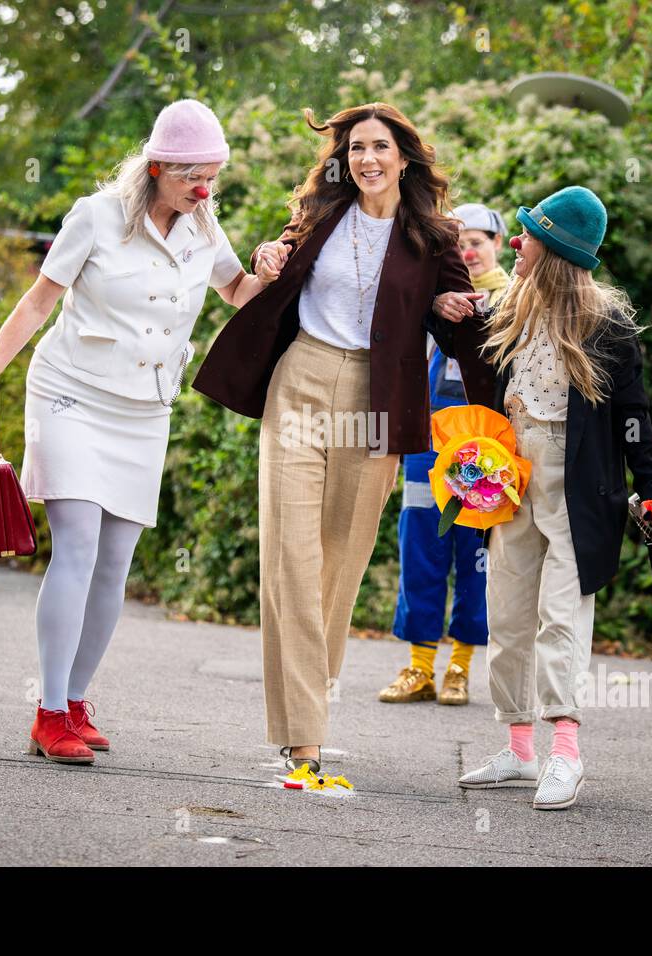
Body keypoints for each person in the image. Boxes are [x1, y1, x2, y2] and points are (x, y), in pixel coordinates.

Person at [0, 100, 274, 766]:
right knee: (76, 546)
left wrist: (270, 268)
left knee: (114, 565)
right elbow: (40, 301)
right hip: (71, 392)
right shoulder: (97, 215)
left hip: (144, 409)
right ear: (158, 167)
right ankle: (48, 713)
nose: (205, 189)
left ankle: (76, 700)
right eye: (194, 175)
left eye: (213, 176)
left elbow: (238, 293)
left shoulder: (204, 227)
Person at [191, 102, 490, 782]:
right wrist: (269, 257)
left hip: (378, 401)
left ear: (404, 158)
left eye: (380, 146)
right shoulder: (321, 214)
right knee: (291, 556)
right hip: (300, 381)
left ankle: (308, 703)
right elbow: (279, 264)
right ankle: (306, 738)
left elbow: (457, 312)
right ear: (343, 157)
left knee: (341, 562)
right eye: (356, 147)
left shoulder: (435, 237)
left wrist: (448, 309)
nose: (367, 159)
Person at [431, 186, 652, 809]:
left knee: (562, 617)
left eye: (528, 235)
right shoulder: (506, 309)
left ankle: (565, 752)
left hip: (579, 484)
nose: (516, 243)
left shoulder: (608, 326)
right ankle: (518, 749)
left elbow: (633, 419)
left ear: (556, 251)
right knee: (507, 612)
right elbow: (451, 333)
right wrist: (438, 302)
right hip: (511, 476)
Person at [379, 202, 510, 706]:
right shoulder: (431, 297)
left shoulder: (515, 301)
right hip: (427, 449)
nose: (468, 250)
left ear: (498, 244)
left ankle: (459, 668)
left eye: (477, 240)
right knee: (420, 552)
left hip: (488, 451)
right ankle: (418, 668)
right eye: (458, 242)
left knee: (476, 559)